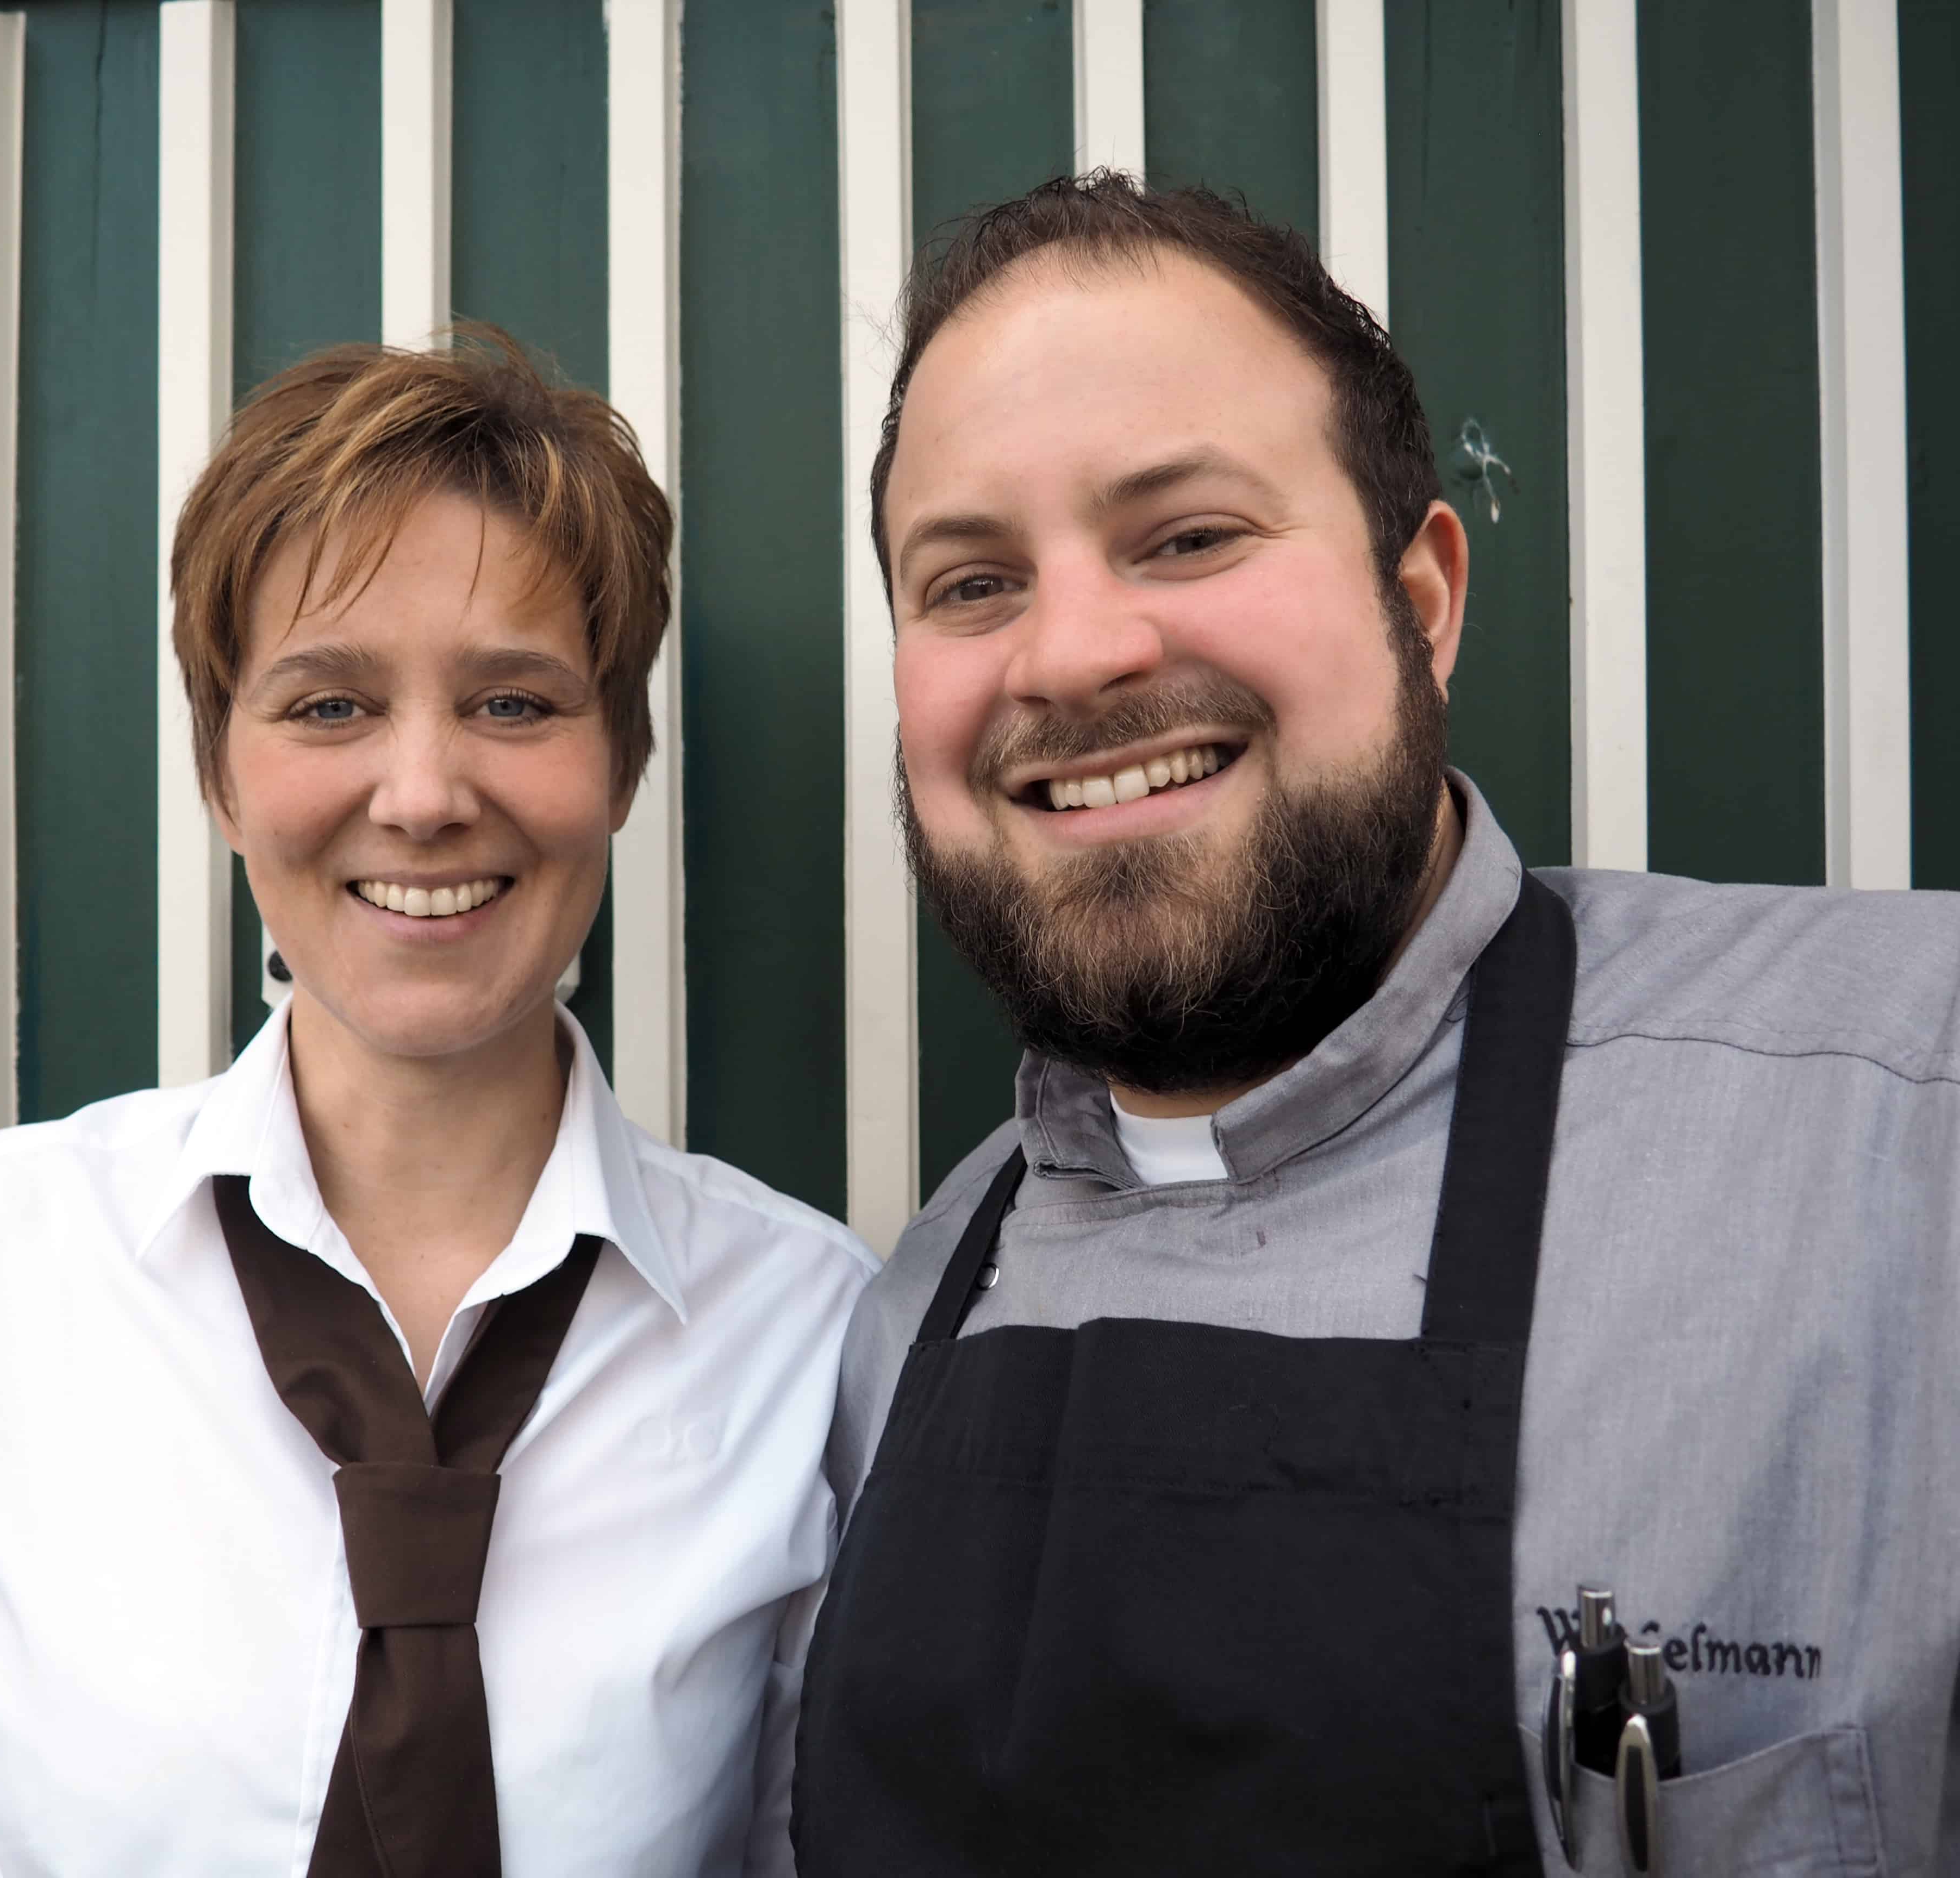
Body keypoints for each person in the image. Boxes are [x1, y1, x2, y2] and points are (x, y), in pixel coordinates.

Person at [792, 173, 1960, 1876]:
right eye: (970, 583)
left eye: (1187, 534)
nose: (1077, 654)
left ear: (1423, 601)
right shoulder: (908, 1319)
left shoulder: (1906, 1117)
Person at [0, 334, 872, 1878]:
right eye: (329, 708)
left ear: (623, 761)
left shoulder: (809, 1327)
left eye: (514, 703)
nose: (422, 793)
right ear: (220, 771)